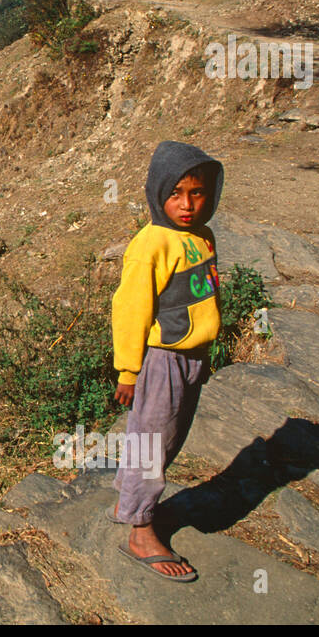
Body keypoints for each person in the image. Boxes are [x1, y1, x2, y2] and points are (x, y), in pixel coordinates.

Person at [109, 141, 224, 583]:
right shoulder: (151, 244)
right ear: (158, 194)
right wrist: (128, 370)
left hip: (191, 357)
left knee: (164, 438)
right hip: (161, 360)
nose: (186, 204)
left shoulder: (202, 238)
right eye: (175, 193)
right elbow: (131, 309)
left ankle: (127, 500)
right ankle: (139, 531)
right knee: (152, 444)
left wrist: (205, 349)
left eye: (197, 193)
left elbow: (206, 298)